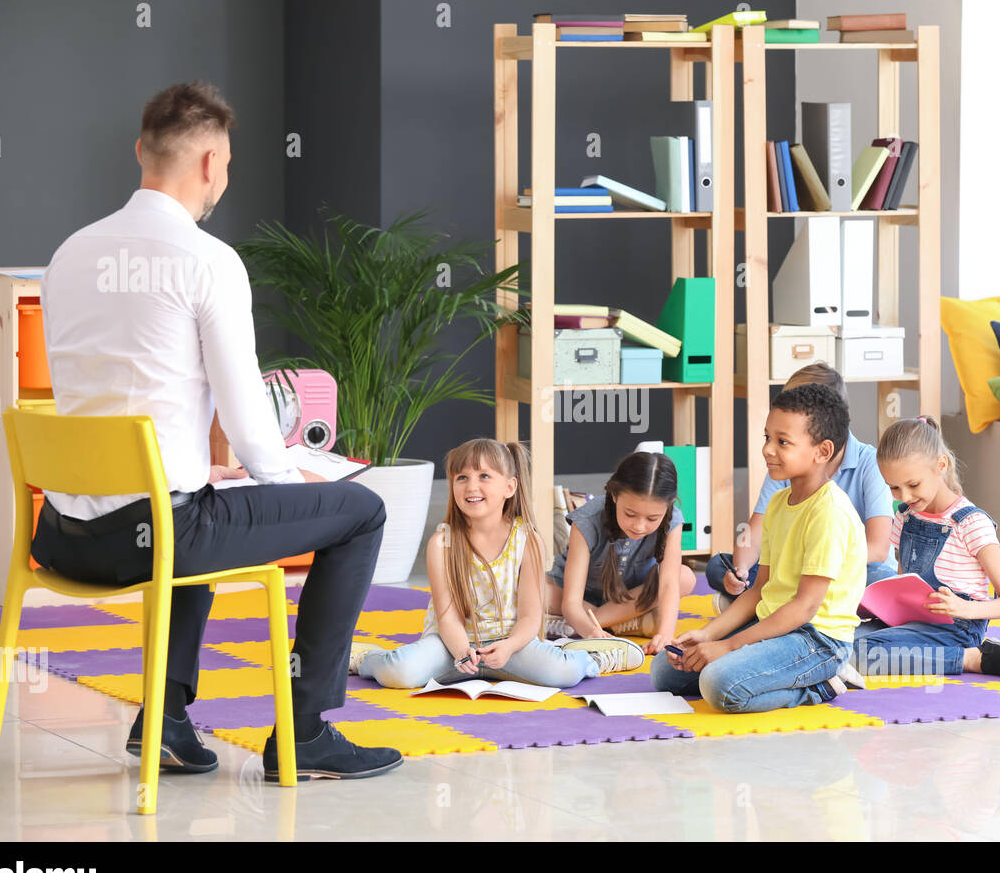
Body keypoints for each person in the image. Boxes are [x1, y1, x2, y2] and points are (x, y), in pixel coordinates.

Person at [32, 81, 401, 781]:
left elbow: (99, 396)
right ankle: (307, 730)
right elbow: (250, 427)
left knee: (194, 503)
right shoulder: (207, 261)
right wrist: (293, 490)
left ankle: (166, 720)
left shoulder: (69, 254)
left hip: (65, 536)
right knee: (361, 513)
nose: (223, 181)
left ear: (142, 151)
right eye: (226, 165)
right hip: (157, 534)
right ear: (209, 164)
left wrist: (203, 480)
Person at [351, 439, 644, 686]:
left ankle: (591, 656)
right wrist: (463, 652)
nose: (471, 486)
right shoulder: (442, 543)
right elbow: (447, 616)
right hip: (452, 647)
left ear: (510, 487)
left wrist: (508, 647)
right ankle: (364, 658)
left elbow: (530, 617)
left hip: (510, 645)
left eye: (484, 476)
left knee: (563, 672)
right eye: (461, 477)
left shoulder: (526, 539)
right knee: (398, 673)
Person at [652, 385, 867, 713]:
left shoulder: (829, 512)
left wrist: (727, 647)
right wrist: (708, 635)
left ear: (822, 451)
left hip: (817, 641)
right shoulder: (780, 503)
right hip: (775, 625)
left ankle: (824, 685)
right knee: (666, 673)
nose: (768, 450)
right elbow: (759, 590)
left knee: (718, 686)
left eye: (782, 442)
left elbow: (805, 608)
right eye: (767, 437)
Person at [707, 362, 896, 609]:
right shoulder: (788, 462)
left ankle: (758, 607)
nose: (769, 448)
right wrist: (740, 569)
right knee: (717, 566)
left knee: (881, 578)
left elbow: (878, 549)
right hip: (793, 570)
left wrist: (810, 566)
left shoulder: (869, 462)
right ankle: (762, 602)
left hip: (844, 570)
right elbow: (753, 532)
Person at [852, 416, 1000, 679]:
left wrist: (965, 609)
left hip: (957, 628)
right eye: (894, 488)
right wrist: (875, 605)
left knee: (861, 653)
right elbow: (902, 583)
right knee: (838, 642)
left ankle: (970, 658)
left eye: (913, 485)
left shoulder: (971, 523)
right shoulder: (905, 516)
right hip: (913, 620)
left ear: (940, 465)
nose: (905, 496)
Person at [543, 451, 694, 656]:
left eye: (652, 519)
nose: (640, 526)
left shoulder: (673, 519)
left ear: (668, 506)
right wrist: (591, 633)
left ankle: (586, 622)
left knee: (685, 577)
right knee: (533, 591)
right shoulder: (588, 518)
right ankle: (629, 622)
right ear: (614, 495)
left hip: (630, 596)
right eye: (630, 514)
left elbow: (668, 584)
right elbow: (571, 602)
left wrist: (665, 635)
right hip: (580, 597)